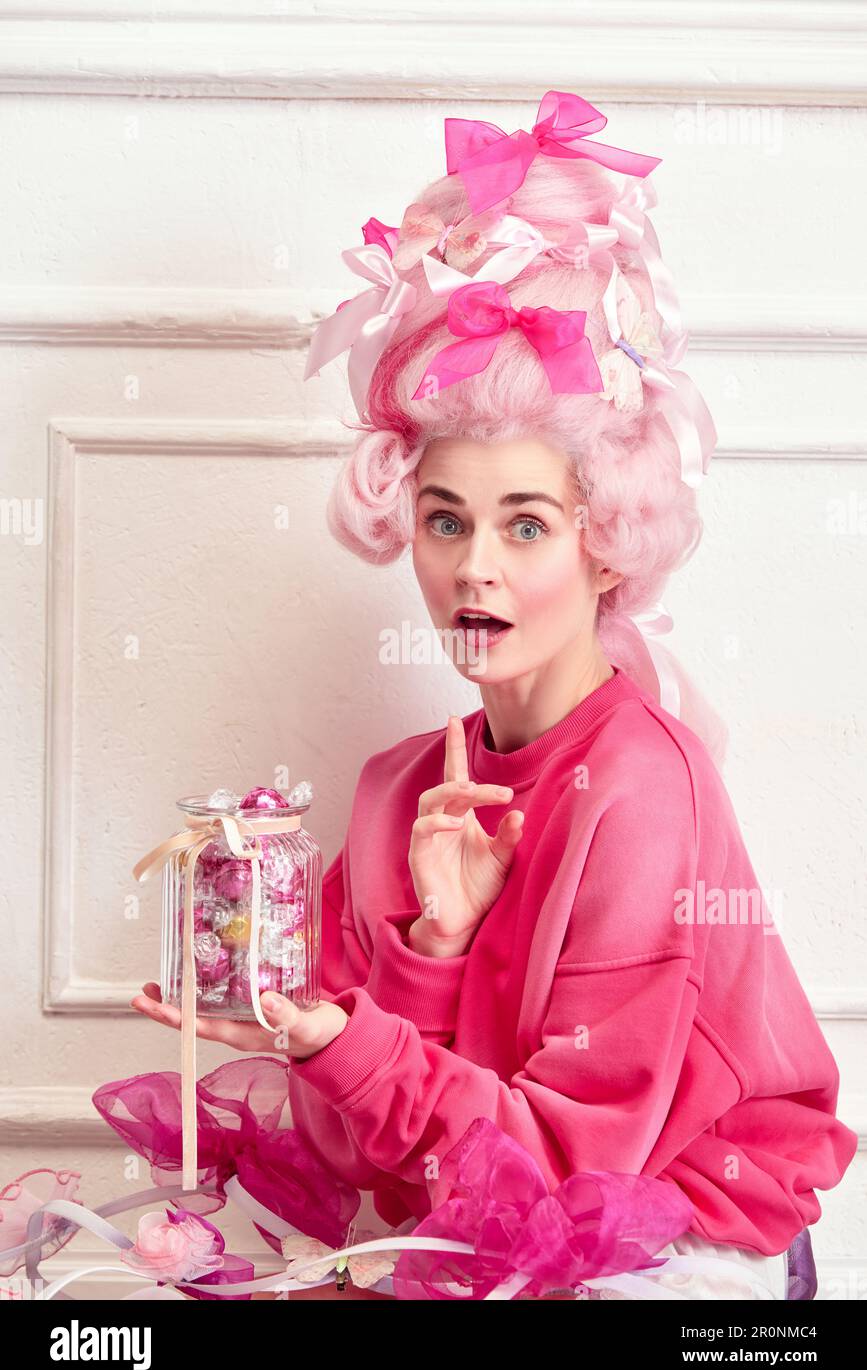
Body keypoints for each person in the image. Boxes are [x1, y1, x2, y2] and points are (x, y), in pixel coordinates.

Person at [132, 91, 857, 1300]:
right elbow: (376, 1160)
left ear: (608, 542)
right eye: (445, 519)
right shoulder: (394, 793)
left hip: (674, 1238)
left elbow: (570, 1171)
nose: (475, 567)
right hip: (499, 1213)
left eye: (527, 525)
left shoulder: (643, 789)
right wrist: (426, 948)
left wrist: (346, 1037)